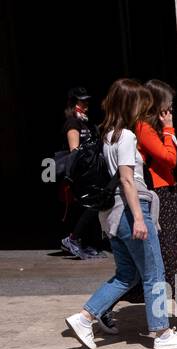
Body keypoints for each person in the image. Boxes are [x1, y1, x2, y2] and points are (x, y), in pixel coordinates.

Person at [63, 79, 177, 349]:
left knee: (127, 275)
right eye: (140, 103)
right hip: (130, 209)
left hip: (112, 214)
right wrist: (138, 217)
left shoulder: (107, 135)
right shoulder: (126, 136)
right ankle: (161, 332)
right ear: (131, 104)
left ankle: (85, 317)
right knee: (154, 273)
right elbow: (126, 179)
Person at [138, 79, 177, 322]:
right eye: (168, 105)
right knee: (167, 253)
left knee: (175, 252)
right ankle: (102, 308)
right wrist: (169, 128)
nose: (171, 110)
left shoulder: (153, 128)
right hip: (159, 194)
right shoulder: (144, 128)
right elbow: (169, 159)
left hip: (168, 191)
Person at [59, 87, 105, 261]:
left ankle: (85, 243)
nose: (86, 104)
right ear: (73, 103)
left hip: (90, 172)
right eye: (82, 101)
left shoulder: (85, 121)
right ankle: (73, 241)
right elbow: (74, 151)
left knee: (90, 206)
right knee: (86, 207)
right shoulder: (72, 122)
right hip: (81, 174)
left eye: (87, 100)